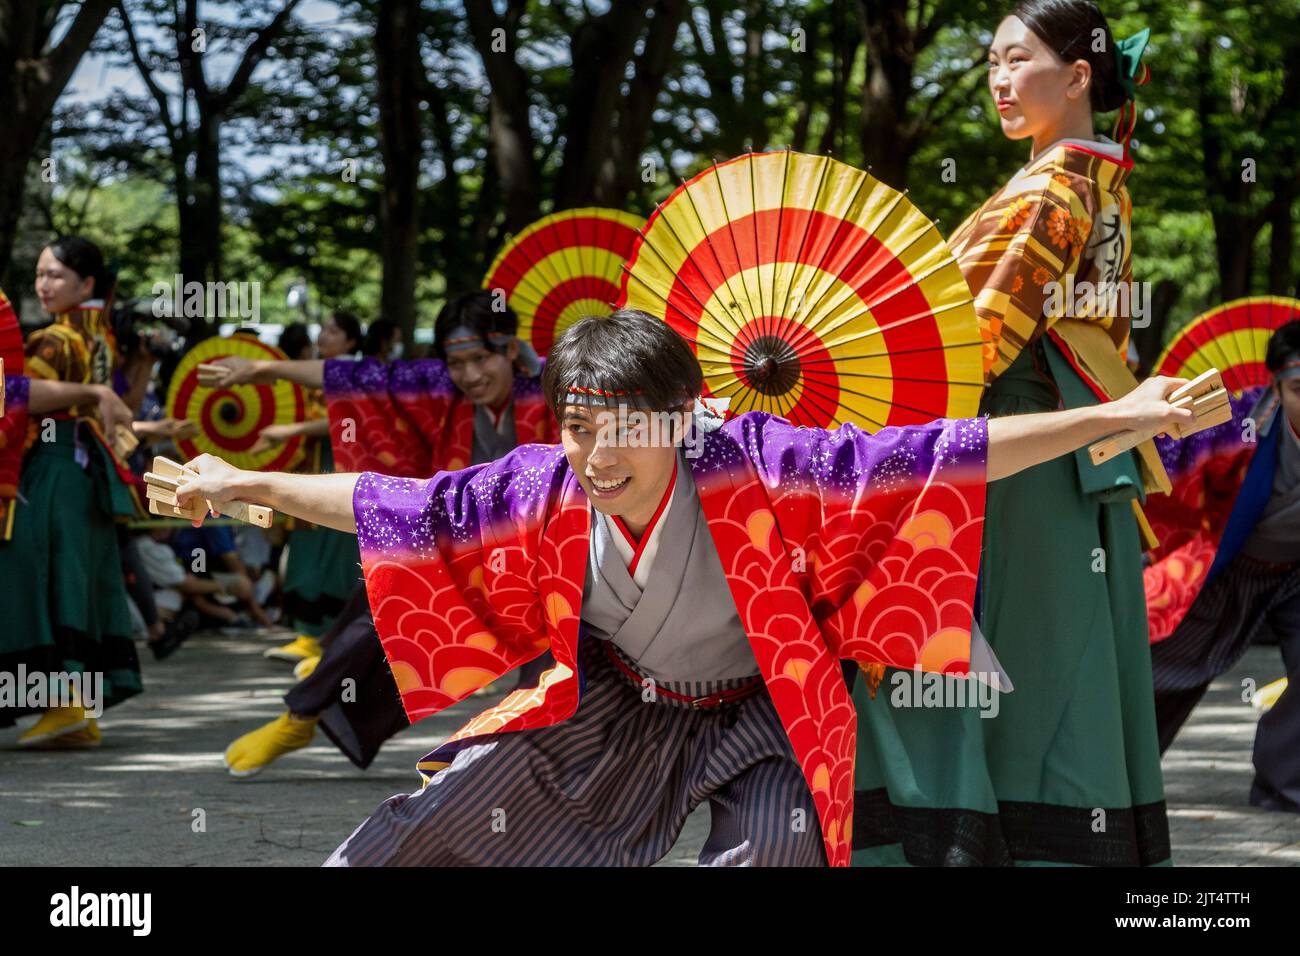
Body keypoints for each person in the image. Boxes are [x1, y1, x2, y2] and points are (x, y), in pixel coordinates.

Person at [169, 309, 1192, 866]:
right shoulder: (541, 485)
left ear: (681, 414)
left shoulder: (765, 465)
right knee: (442, 817)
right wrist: (240, 479)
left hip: (766, 709)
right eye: (576, 424)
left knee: (782, 847)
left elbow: (949, 450)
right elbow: (399, 500)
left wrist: (1119, 415)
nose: (598, 452)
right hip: (614, 701)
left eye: (624, 425)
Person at [849, 1, 1171, 865]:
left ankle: (961, 839)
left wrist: (860, 415)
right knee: (1053, 670)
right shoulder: (1095, 180)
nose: (996, 78)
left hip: (1014, 456)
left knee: (986, 662)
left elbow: (966, 350)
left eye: (1016, 59)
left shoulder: (1050, 189)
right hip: (1067, 457)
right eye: (990, 61)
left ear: (1076, 77)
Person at [217, 291, 557, 775]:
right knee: (381, 603)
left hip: (544, 547)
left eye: (481, 358)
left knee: (554, 654)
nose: (470, 376)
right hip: (458, 538)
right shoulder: (441, 387)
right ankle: (301, 715)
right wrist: (261, 372)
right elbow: (354, 377)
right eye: (458, 362)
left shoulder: (553, 382)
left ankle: (509, 759)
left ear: (507, 348)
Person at [1144, 321, 1300, 811]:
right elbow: (1172, 485)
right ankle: (1124, 779)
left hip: (1294, 577)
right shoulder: (1236, 423)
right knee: (1161, 672)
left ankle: (1283, 785)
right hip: (1224, 567)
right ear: (1275, 383)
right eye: (1299, 389)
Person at [0, 238, 143, 746]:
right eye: (40, 274)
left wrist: (90, 393)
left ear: (86, 284)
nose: (43, 284)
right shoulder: (101, 338)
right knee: (76, 582)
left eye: (55, 275)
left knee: (37, 578)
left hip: (52, 472)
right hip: (85, 474)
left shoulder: (55, 339)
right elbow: (120, 405)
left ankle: (65, 704)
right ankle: (78, 708)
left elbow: (20, 395)